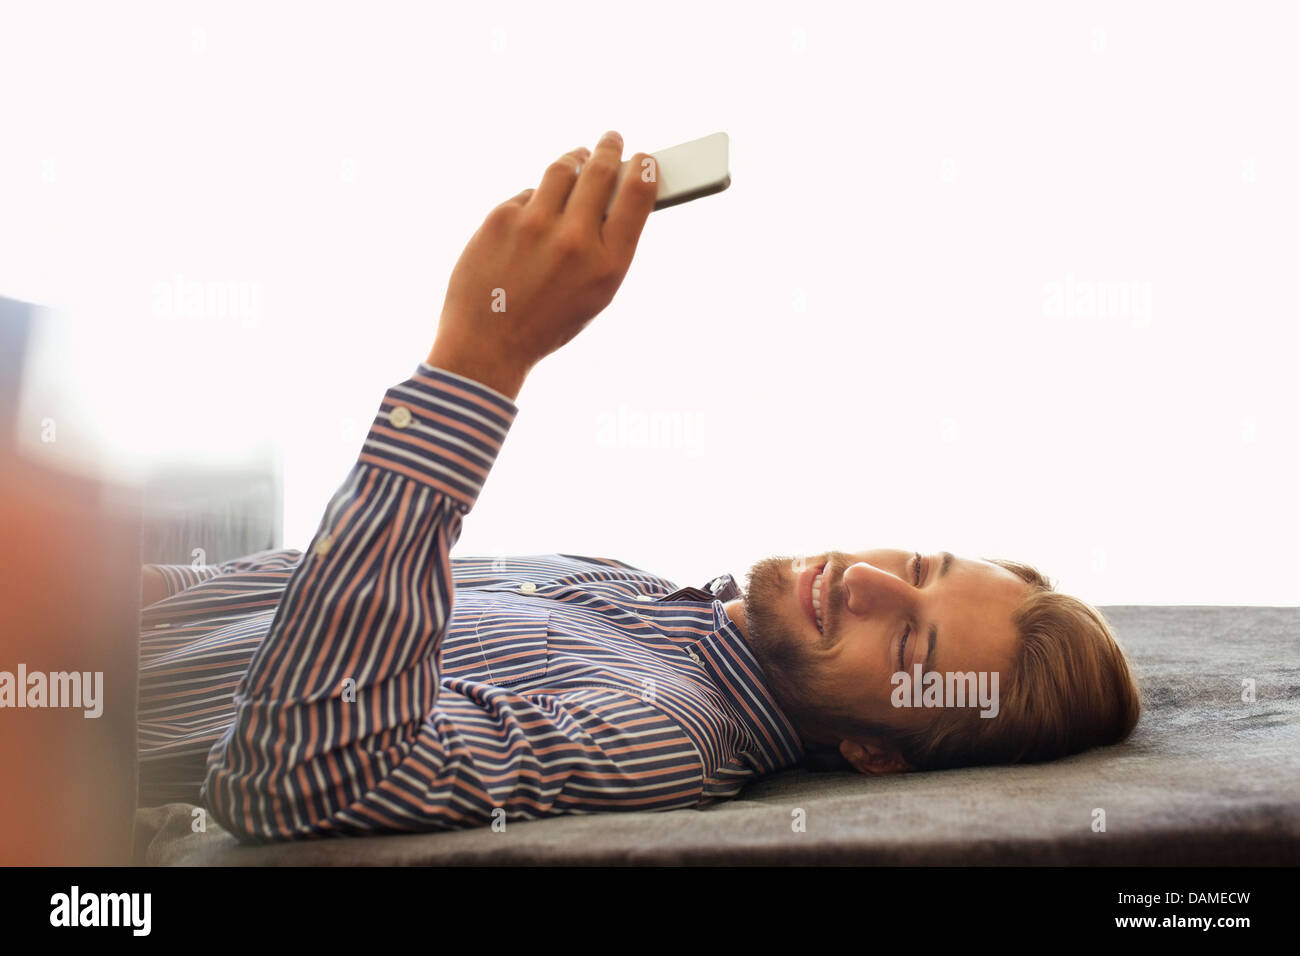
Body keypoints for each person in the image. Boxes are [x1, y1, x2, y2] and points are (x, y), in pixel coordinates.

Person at [137, 130, 1140, 842]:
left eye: (908, 638)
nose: (873, 581)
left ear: (877, 754)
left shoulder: (675, 730)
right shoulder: (653, 597)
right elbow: (280, 601)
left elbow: (301, 778)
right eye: (920, 564)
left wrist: (480, 360)